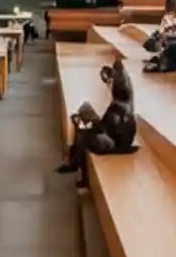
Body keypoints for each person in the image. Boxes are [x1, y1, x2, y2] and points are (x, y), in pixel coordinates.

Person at [56, 59, 139, 188]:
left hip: (111, 142)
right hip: (108, 133)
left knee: (83, 131)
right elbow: (111, 73)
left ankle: (80, 172)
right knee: (81, 119)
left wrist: (94, 125)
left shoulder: (121, 108)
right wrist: (107, 74)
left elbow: (110, 130)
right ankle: (74, 162)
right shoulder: (121, 102)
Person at [145, 0, 176, 73]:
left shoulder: (167, 18)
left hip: (172, 42)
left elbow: (161, 32)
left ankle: (159, 60)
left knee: (159, 41)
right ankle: (160, 60)